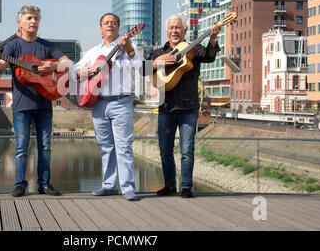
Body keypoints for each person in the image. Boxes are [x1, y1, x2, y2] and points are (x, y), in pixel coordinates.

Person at [0, 6, 72, 197]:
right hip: (21, 104)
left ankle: (44, 184)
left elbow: (68, 64)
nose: (33, 21)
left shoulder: (48, 46)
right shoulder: (12, 46)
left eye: (36, 18)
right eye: (29, 18)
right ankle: (20, 184)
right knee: (21, 146)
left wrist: (55, 66)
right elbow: (1, 67)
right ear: (20, 23)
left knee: (45, 146)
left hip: (45, 103)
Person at [72, 13, 142, 201]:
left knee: (123, 146)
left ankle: (128, 188)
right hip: (98, 102)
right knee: (105, 146)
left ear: (119, 28)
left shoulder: (129, 46)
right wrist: (82, 71)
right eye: (106, 23)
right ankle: (109, 185)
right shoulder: (93, 51)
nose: (109, 25)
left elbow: (138, 66)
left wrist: (129, 50)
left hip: (121, 102)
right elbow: (73, 71)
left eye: (113, 23)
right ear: (100, 28)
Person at [151, 14, 221, 198]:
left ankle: (186, 187)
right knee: (165, 150)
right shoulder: (158, 52)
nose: (174, 31)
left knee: (187, 151)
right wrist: (156, 63)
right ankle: (169, 186)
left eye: (178, 28)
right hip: (165, 107)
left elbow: (209, 57)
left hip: (189, 107)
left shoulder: (194, 48)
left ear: (185, 31)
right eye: (171, 28)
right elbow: (141, 70)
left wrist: (213, 38)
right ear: (167, 31)